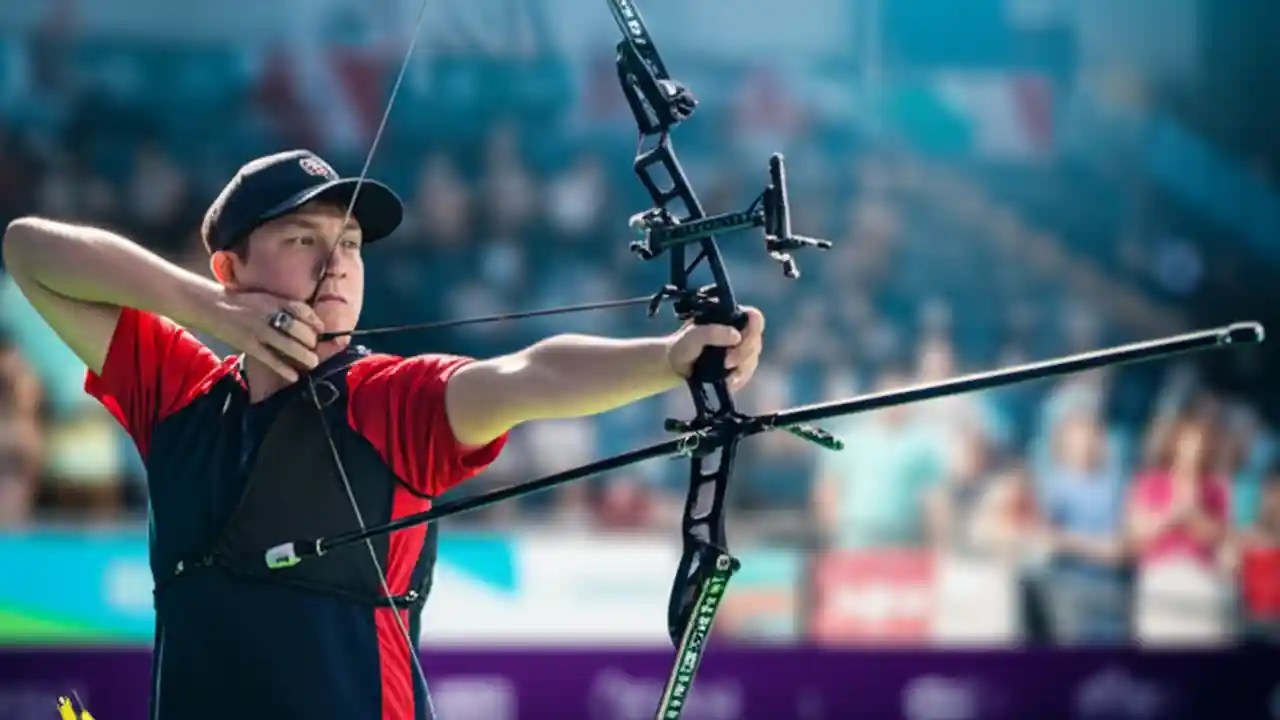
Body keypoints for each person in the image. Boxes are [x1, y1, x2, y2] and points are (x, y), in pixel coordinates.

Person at [0, 149, 766, 720]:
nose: (336, 263)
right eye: (303, 238)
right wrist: (206, 309)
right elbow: (29, 250)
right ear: (229, 267)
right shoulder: (180, 393)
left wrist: (668, 358)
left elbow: (525, 376)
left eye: (353, 244)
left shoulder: (388, 399)